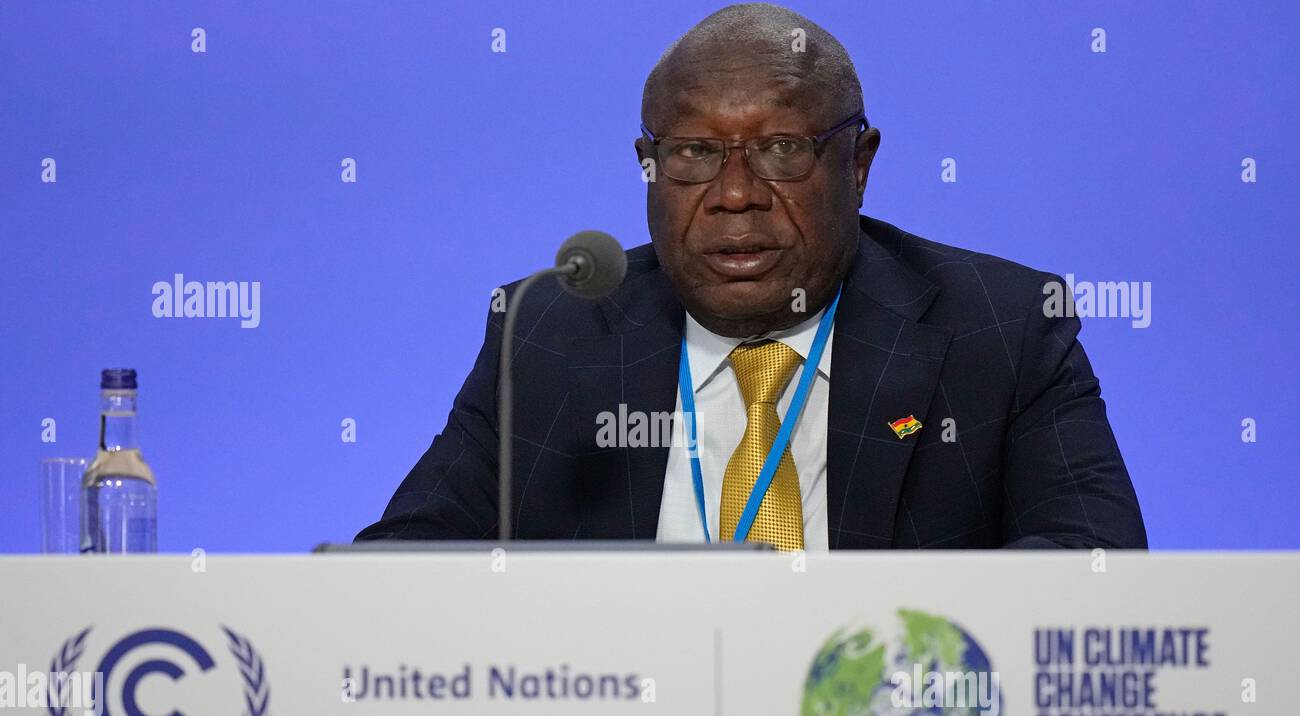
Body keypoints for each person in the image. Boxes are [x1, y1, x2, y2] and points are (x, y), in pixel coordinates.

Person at [357, 3, 1146, 550]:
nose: (735, 195)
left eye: (782, 149)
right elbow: (405, 563)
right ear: (650, 166)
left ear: (859, 164)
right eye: (694, 153)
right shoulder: (551, 334)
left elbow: (1092, 562)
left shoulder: (999, 330)